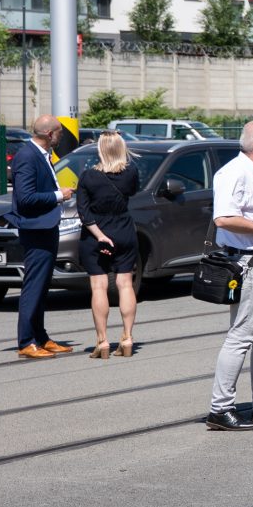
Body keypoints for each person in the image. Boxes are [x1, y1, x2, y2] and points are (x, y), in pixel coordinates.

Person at [208, 120, 253, 430]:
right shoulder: (234, 173)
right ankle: (220, 408)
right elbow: (223, 218)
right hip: (246, 262)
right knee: (242, 335)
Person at [6, 114, 74, 359]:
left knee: (42, 285)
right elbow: (25, 198)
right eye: (60, 133)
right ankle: (26, 341)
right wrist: (59, 195)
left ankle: (40, 337)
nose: (61, 136)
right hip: (36, 229)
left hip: (46, 226)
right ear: (49, 134)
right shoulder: (27, 156)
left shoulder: (42, 154)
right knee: (34, 285)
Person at [75, 130, 141, 358]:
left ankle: (102, 342)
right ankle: (128, 337)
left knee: (99, 286)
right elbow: (132, 191)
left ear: (100, 149)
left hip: (96, 236)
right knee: (125, 284)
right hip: (124, 232)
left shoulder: (88, 177)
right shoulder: (131, 172)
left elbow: (83, 212)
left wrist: (99, 235)